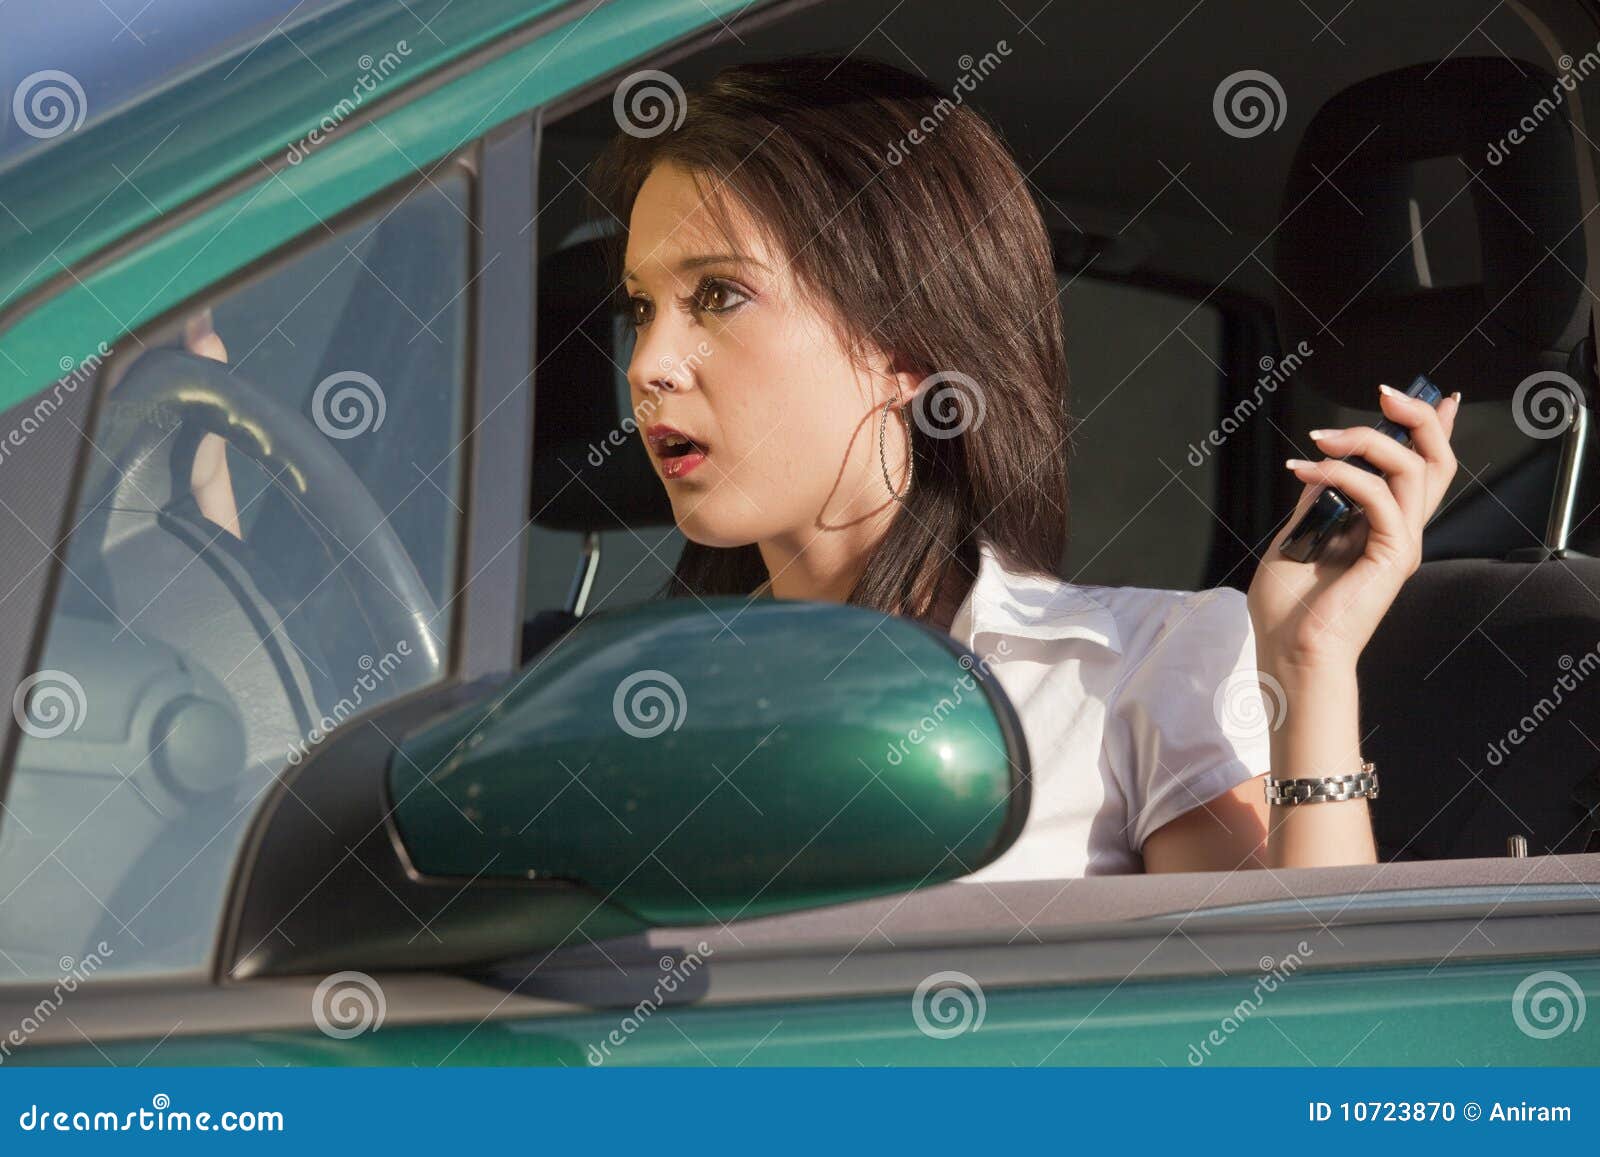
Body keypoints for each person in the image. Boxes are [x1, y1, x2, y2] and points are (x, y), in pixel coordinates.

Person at [592, 55, 1459, 878]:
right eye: (641, 308)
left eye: (718, 295)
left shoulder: (1143, 668)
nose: (647, 363)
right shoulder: (630, 702)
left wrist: (1308, 663)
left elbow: (1292, 1015)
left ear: (907, 345)